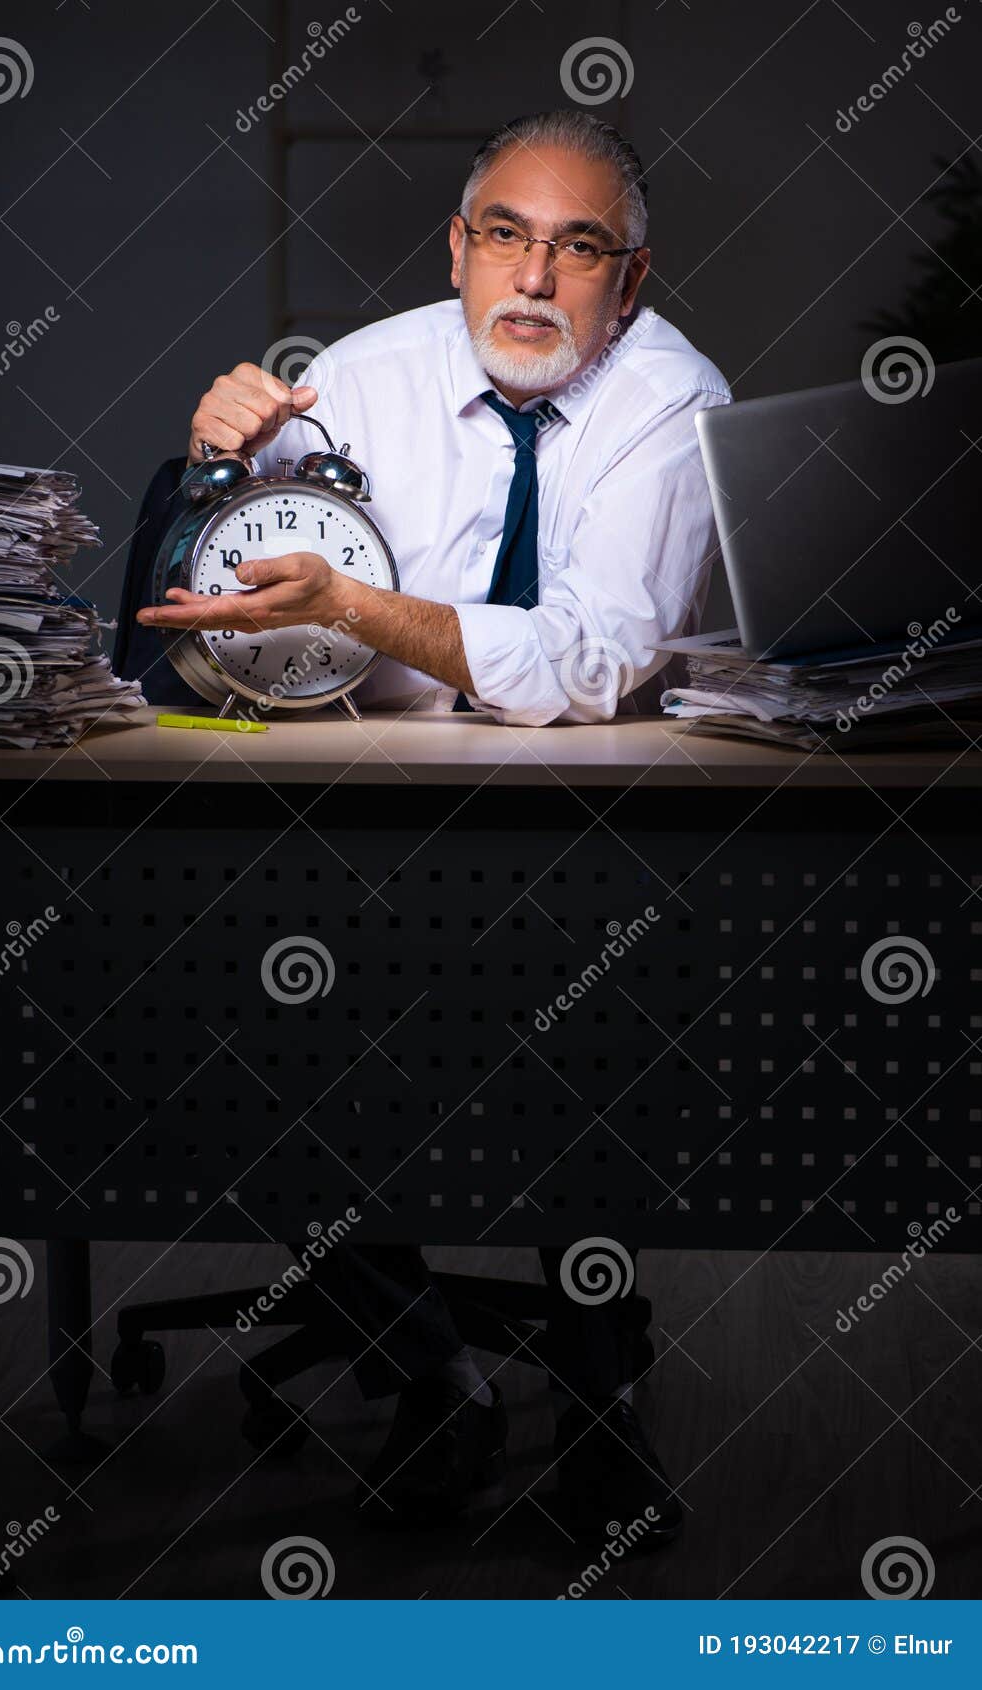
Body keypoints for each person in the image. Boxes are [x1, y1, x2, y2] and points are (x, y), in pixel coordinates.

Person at [136, 108, 732, 1538]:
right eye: (506, 237)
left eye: (578, 247)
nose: (535, 278)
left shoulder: (673, 395)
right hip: (350, 814)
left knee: (583, 1037)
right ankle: (428, 1361)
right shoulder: (357, 377)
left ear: (629, 280)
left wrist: (355, 607)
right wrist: (221, 467)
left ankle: (596, 1407)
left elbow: (596, 655)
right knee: (244, 1017)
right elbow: (260, 600)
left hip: (590, 834)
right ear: (459, 250)